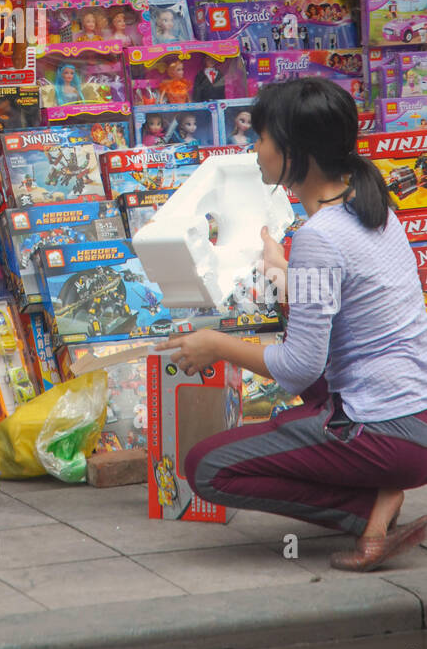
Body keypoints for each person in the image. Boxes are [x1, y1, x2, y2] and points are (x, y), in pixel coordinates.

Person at [156, 79, 427, 571]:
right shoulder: (369, 202)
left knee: (207, 467)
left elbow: (299, 367)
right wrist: (286, 274)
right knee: (292, 316)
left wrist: (216, 344)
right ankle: (379, 489)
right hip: (416, 411)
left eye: (260, 138)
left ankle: (367, 507)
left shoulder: (320, 236)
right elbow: (344, 309)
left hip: (386, 428)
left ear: (292, 150)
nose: (253, 149)